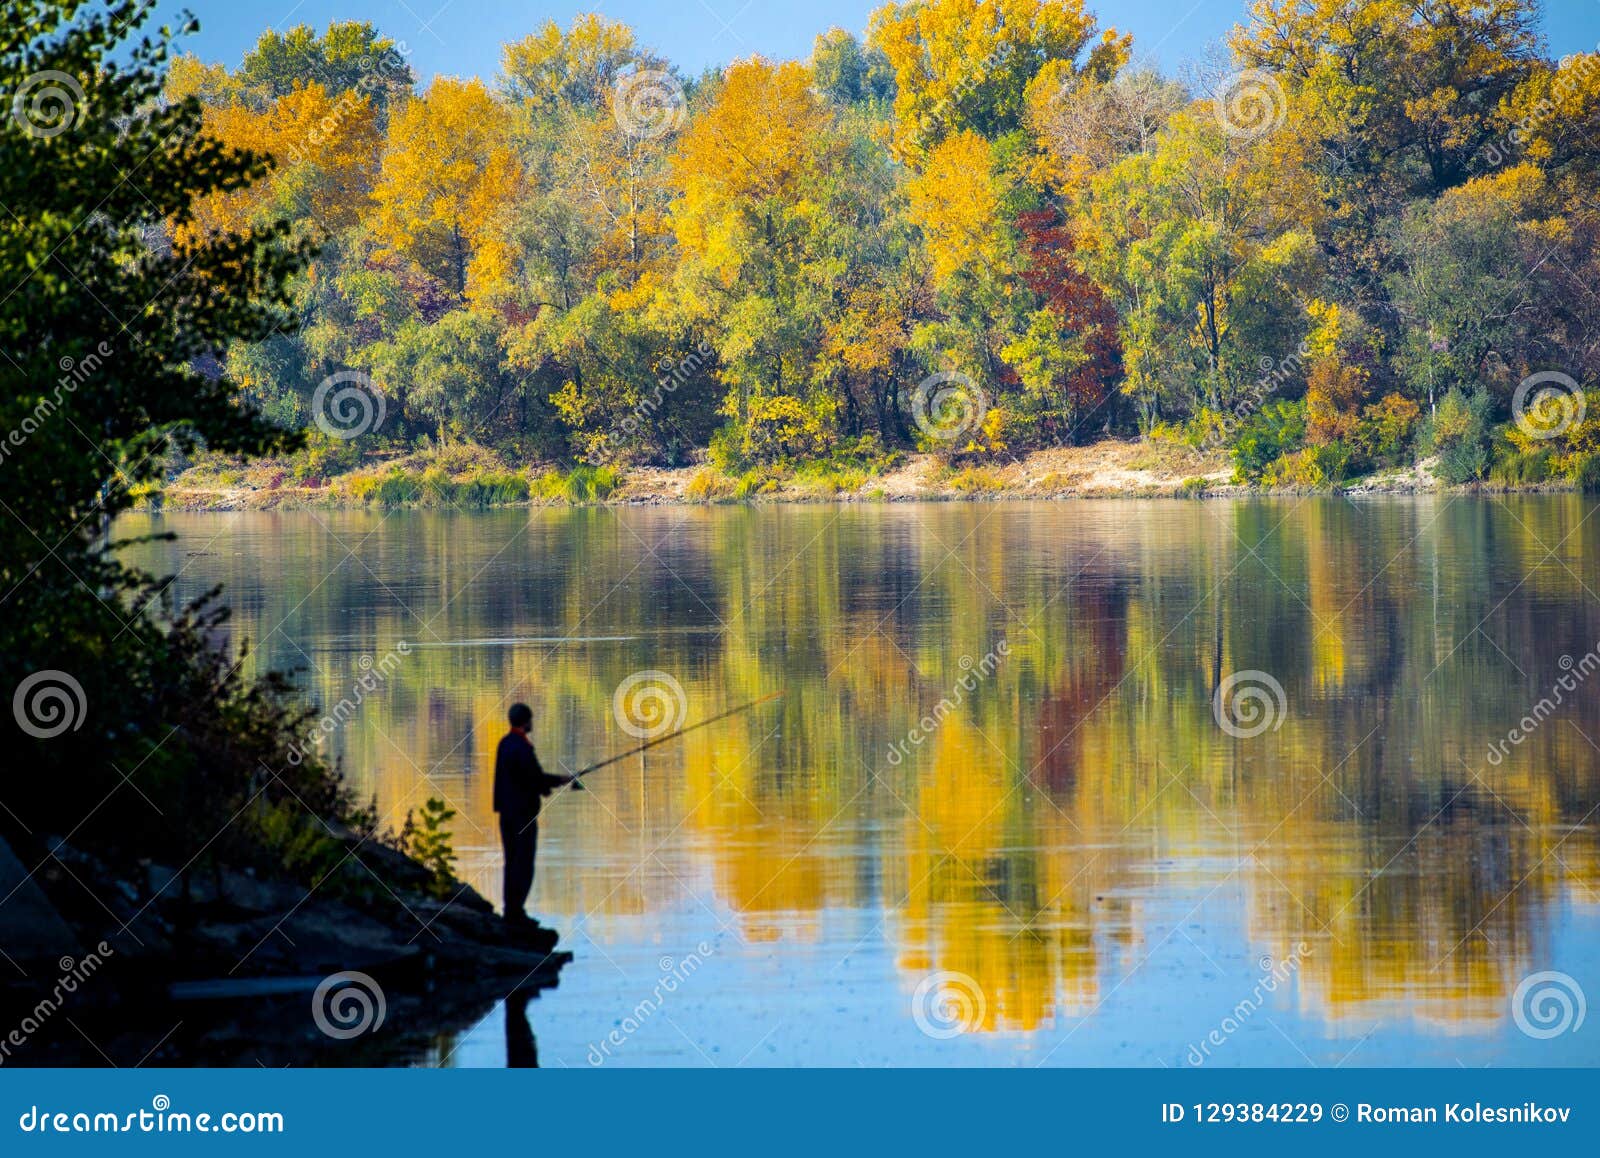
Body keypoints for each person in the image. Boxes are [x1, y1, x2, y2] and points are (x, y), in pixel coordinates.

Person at [493, 703, 572, 928]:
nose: (532, 723)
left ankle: (511, 911)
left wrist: (545, 786)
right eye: (531, 719)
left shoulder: (504, 744)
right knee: (524, 863)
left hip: (506, 814)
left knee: (511, 861)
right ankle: (516, 913)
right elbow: (535, 778)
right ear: (526, 721)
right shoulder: (522, 747)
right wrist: (561, 780)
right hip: (523, 815)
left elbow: (522, 779)